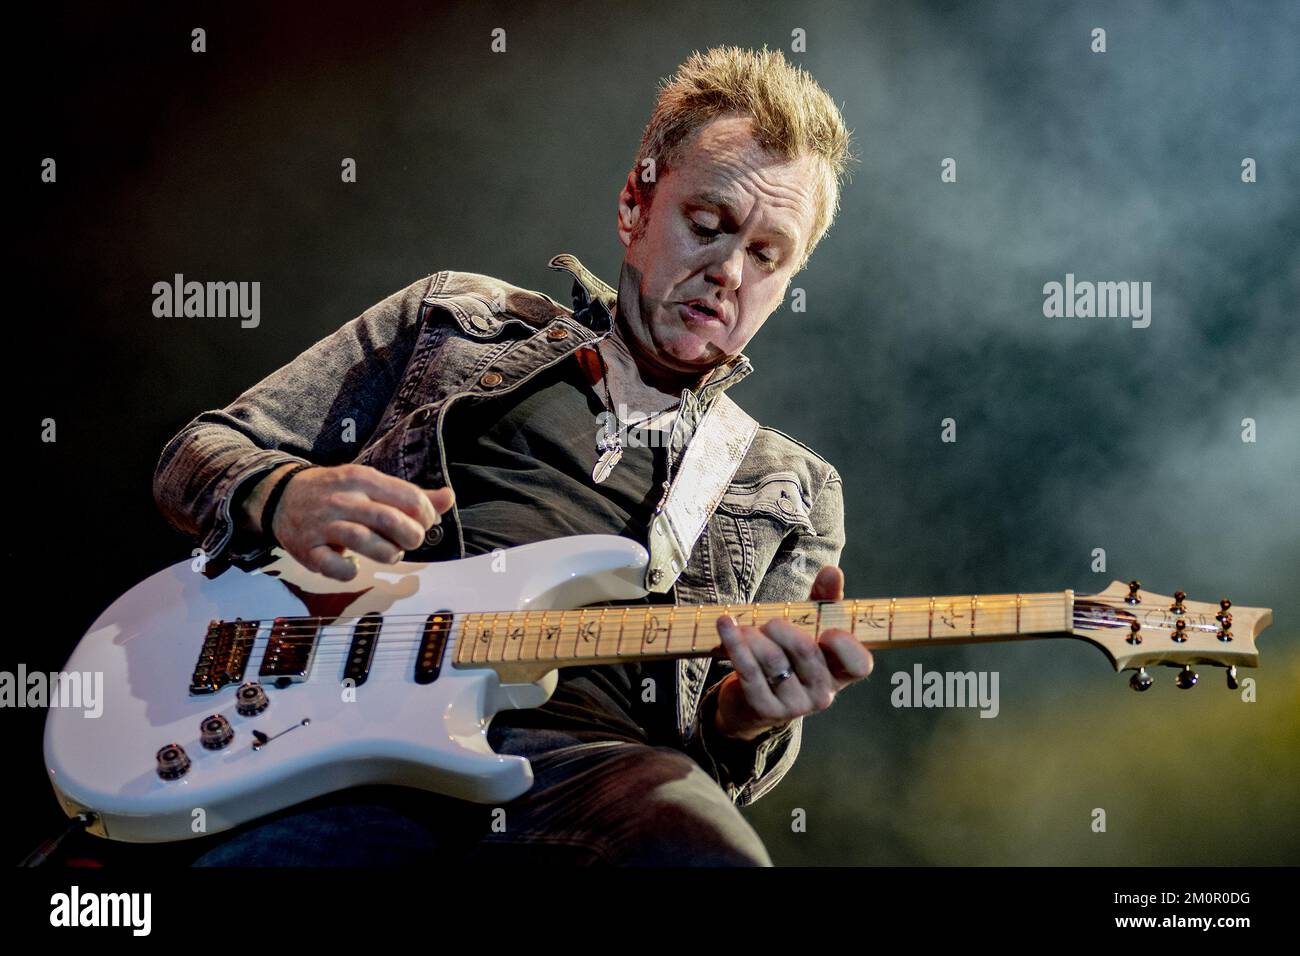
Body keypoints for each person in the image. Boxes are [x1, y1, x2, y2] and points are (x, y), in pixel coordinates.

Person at [152, 45, 873, 866]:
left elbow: (723, 755)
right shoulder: (455, 317)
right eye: (707, 225)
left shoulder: (791, 488)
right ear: (635, 204)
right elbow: (195, 453)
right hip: (338, 722)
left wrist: (751, 718)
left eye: (768, 256)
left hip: (589, 774)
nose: (727, 271)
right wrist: (283, 495)